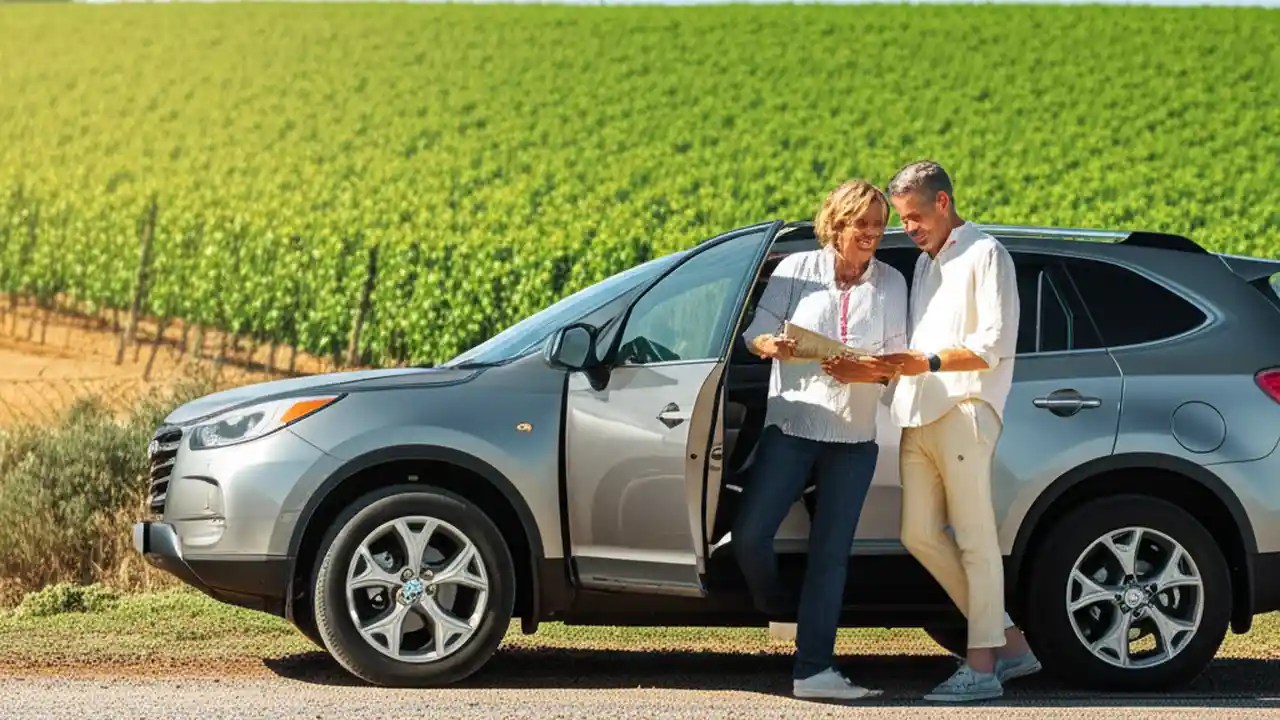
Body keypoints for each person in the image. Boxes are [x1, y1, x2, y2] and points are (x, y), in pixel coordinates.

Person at [733, 178, 908, 700]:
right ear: (836, 224)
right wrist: (774, 345)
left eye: (879, 225)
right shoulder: (794, 271)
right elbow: (753, 334)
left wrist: (869, 373)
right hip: (792, 427)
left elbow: (896, 360)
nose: (873, 234)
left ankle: (814, 670)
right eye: (862, 225)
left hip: (854, 437)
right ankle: (776, 607)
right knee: (750, 536)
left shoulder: (892, 284)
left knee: (830, 556)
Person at [879, 160, 1039, 702]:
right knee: (918, 534)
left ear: (943, 202)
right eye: (903, 220)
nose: (909, 228)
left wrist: (926, 362)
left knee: (976, 540)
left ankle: (982, 668)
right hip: (917, 414)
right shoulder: (926, 264)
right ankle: (1011, 645)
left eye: (916, 216)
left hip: (967, 409)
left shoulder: (986, 253)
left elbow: (994, 344)